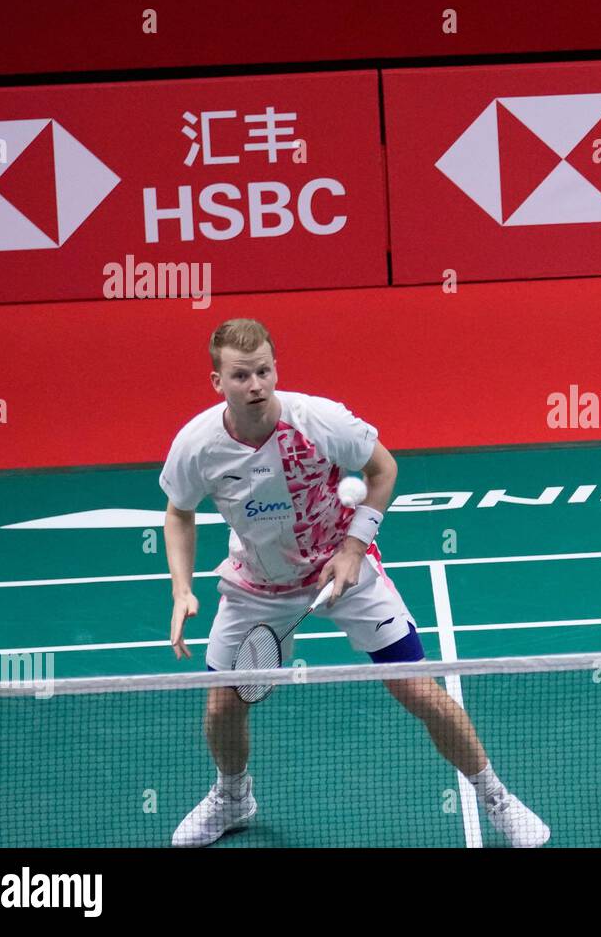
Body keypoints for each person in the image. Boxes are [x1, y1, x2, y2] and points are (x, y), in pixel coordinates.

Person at [161, 318, 550, 846]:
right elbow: (178, 513)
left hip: (343, 567)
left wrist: (352, 549)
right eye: (240, 376)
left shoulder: (318, 420)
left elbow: (383, 470)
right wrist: (182, 589)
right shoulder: (197, 445)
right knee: (224, 704)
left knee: (416, 687)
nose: (255, 385)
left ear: (275, 369)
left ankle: (497, 797)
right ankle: (233, 796)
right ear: (217, 382)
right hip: (258, 582)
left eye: (263, 371)